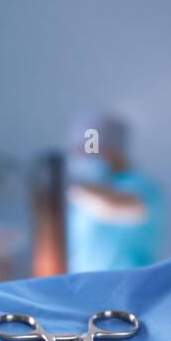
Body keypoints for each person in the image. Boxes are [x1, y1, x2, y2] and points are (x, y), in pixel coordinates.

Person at [64, 114, 162, 273]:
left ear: (115, 150)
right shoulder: (85, 193)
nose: (85, 157)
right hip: (82, 288)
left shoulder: (141, 185)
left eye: (92, 150)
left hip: (128, 288)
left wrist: (70, 187)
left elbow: (117, 207)